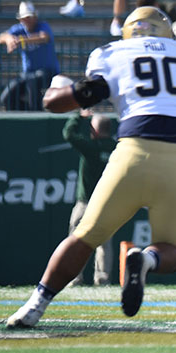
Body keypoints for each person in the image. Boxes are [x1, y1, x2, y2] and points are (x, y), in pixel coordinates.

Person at [6, 6, 176, 328]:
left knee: (84, 236)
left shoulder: (113, 53)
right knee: (174, 251)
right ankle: (145, 259)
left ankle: (34, 306)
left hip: (133, 152)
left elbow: (62, 103)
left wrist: (63, 90)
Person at [63, 111, 117, 286]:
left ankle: (74, 277)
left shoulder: (91, 147)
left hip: (86, 202)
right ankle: (103, 279)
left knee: (76, 240)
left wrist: (79, 117)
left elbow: (69, 134)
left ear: (94, 130)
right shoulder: (117, 149)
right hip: (107, 204)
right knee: (104, 244)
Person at [0, 1, 60, 111]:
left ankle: (35, 113)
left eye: (29, 17)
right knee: (7, 96)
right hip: (27, 74)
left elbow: (43, 37)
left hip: (48, 72)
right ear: (20, 19)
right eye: (24, 18)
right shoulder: (18, 29)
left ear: (35, 17)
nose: (27, 20)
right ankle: (26, 114)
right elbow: (1, 37)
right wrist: (9, 40)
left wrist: (21, 40)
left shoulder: (43, 26)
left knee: (33, 82)